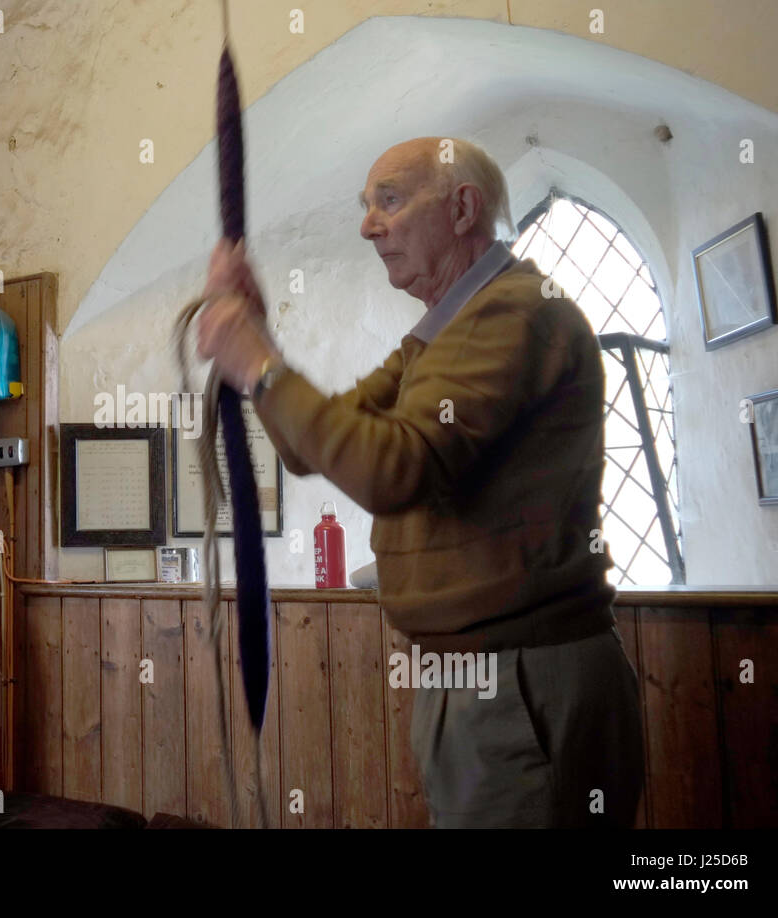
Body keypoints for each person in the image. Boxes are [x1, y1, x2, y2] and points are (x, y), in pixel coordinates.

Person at [196, 137, 644, 828]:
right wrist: (259, 343)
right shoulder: (442, 336)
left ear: (463, 207)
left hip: (519, 680)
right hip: (485, 679)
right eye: (367, 206)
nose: (369, 225)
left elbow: (391, 469)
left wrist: (256, 363)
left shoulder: (516, 312)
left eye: (391, 201)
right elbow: (311, 447)